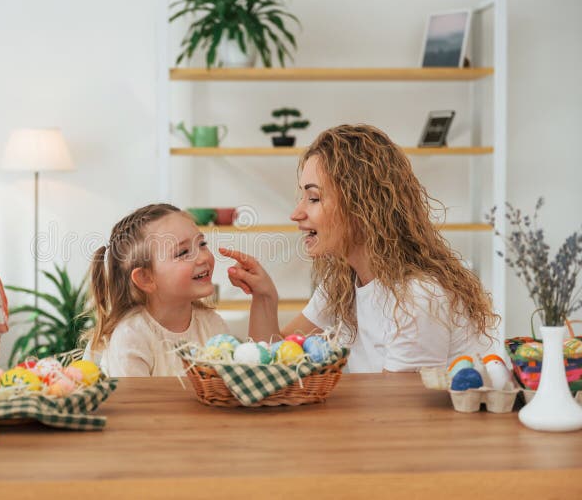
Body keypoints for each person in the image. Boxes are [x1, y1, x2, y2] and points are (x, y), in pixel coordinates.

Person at [220, 124, 499, 373]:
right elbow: (273, 360)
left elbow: (400, 415)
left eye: (314, 198)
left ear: (362, 208)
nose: (296, 213)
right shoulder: (340, 282)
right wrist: (265, 297)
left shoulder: (416, 298)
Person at [86, 203, 228, 376]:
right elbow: (134, 403)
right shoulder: (132, 337)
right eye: (183, 252)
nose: (203, 257)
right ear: (146, 278)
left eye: (202, 243)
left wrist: (262, 296)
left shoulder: (212, 325)